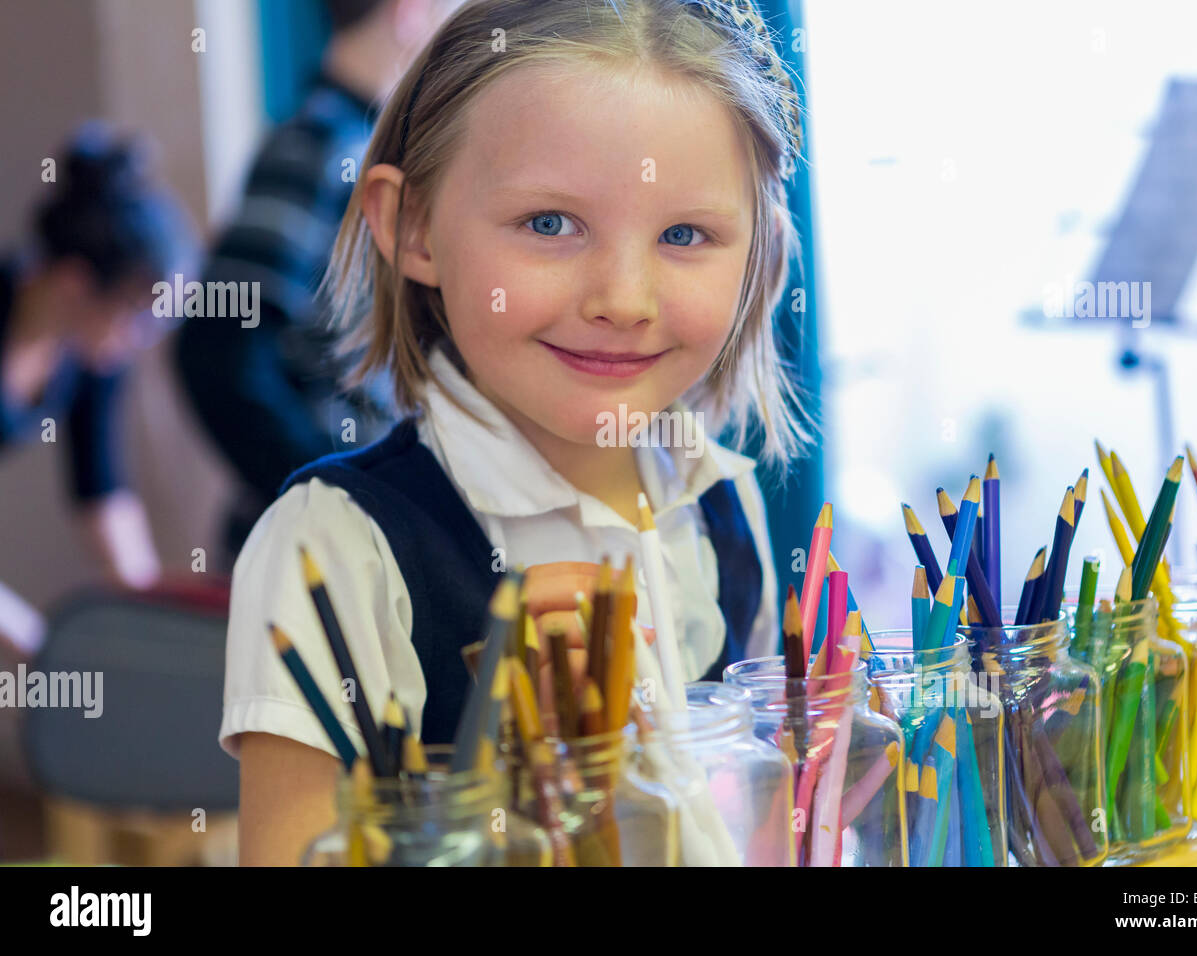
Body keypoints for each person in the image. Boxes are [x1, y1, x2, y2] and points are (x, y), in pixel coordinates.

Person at [223, 0, 809, 864]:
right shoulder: (334, 547)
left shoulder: (726, 504)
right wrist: (494, 775)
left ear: (757, 250)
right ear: (412, 226)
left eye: (685, 234)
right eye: (549, 225)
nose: (624, 298)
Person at [174, 0, 456, 565]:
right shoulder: (319, 145)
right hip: (316, 554)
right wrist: (334, 491)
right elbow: (218, 348)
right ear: (408, 11)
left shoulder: (362, 143)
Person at [0, 122, 195, 659]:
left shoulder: (89, 349)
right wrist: (39, 648)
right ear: (73, 282)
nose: (138, 340)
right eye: (134, 315)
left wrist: (156, 629)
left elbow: (102, 492)